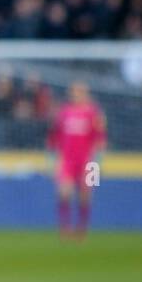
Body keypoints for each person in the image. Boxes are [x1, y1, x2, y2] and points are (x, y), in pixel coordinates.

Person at [47, 81, 105, 238]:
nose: (76, 94)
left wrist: (98, 163)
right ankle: (65, 228)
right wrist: (52, 160)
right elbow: (54, 136)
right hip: (67, 160)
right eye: (74, 91)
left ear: (86, 93)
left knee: (85, 195)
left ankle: (82, 228)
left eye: (80, 91)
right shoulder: (64, 112)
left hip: (88, 161)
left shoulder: (94, 112)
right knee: (64, 192)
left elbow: (100, 138)